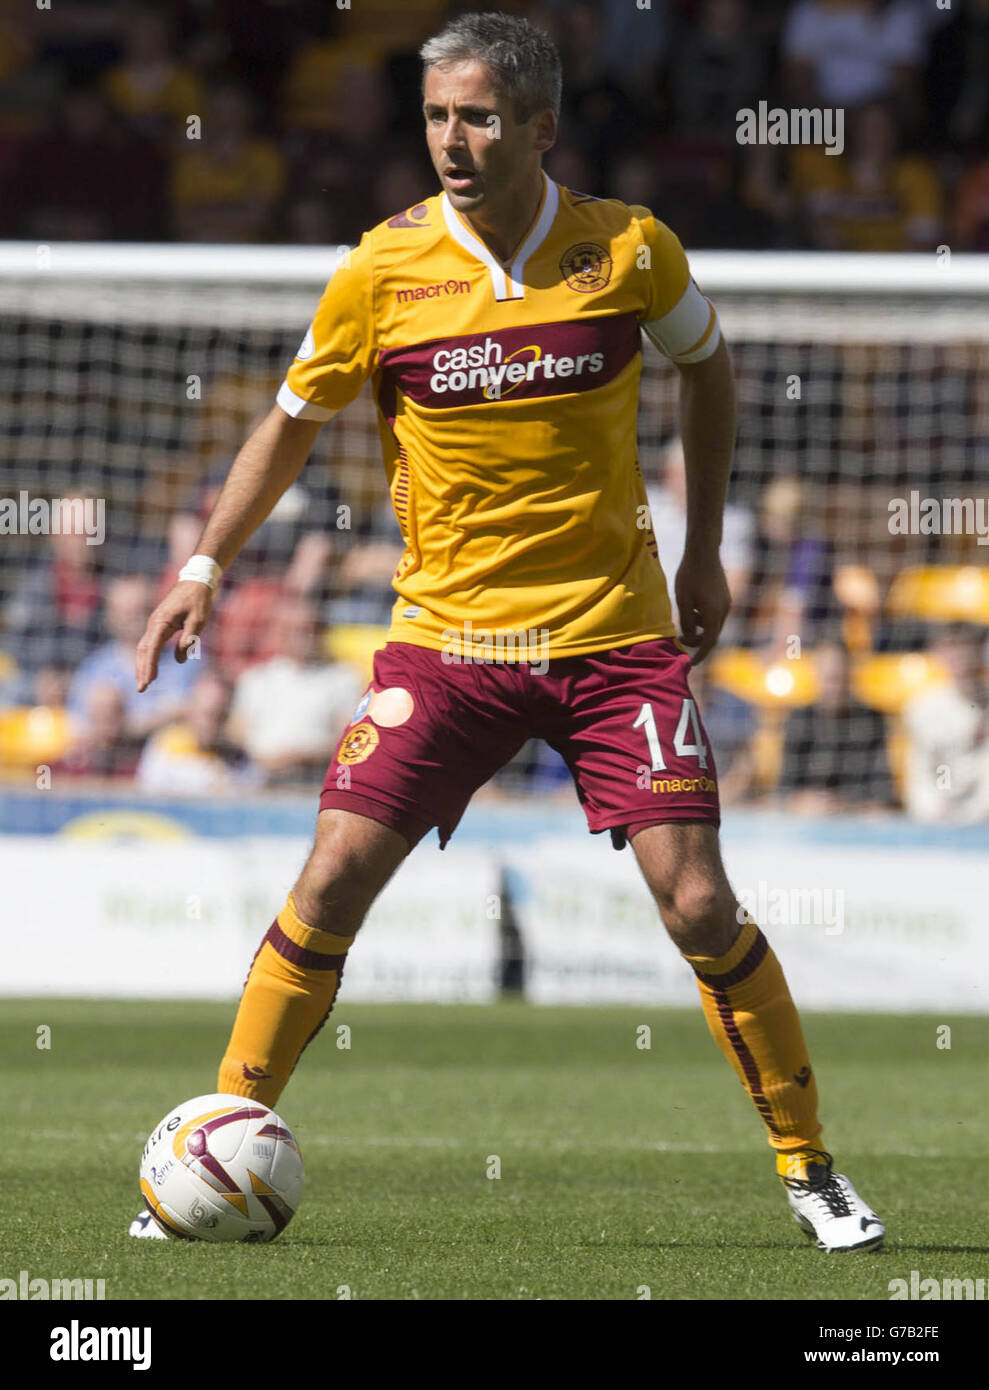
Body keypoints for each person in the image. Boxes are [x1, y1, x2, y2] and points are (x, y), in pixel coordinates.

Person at [132, 11, 883, 1252]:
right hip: (446, 647)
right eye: (434, 116)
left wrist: (700, 549)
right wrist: (205, 561)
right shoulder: (380, 269)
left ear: (539, 126)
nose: (451, 140)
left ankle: (808, 1165)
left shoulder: (627, 251)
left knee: (697, 905)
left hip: (614, 640)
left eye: (477, 116)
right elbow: (290, 421)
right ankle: (216, 1147)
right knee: (328, 878)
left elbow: (709, 366)